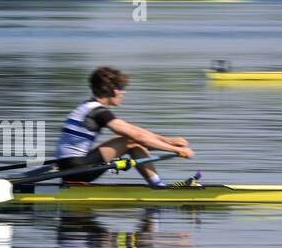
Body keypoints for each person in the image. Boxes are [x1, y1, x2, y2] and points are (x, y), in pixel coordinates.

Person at [55, 66, 194, 187]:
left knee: (130, 139)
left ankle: (158, 184)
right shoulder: (98, 112)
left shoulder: (89, 106)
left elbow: (135, 130)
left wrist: (167, 140)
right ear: (110, 89)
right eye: (121, 88)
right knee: (130, 141)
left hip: (69, 166)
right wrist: (176, 150)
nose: (124, 92)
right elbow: (138, 137)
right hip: (76, 170)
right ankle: (158, 186)